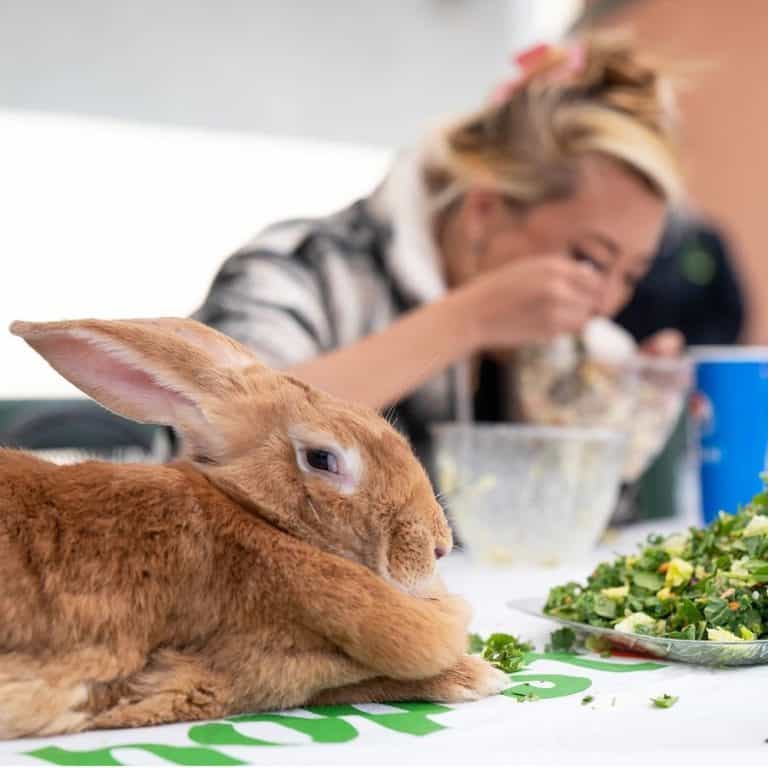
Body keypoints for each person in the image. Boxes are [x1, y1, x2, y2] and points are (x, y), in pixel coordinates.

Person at [193, 34, 685, 461]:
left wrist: (630, 415)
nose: (606, 303)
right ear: (484, 210)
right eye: (589, 260)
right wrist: (468, 320)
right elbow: (221, 439)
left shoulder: (573, 351)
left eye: (631, 275)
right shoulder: (296, 270)